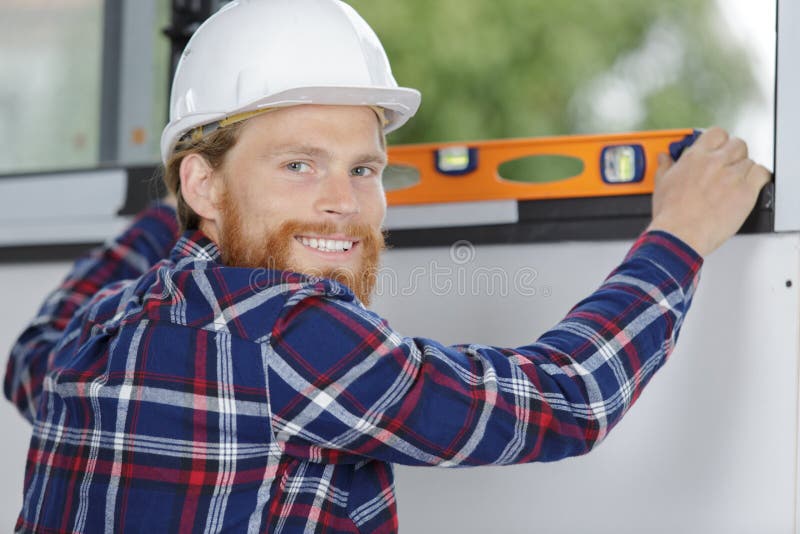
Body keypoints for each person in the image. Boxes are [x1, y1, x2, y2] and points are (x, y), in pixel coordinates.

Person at [4, 0, 770, 532]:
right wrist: (681, 234)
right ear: (203, 183)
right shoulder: (291, 333)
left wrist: (185, 210)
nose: (344, 203)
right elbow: (564, 401)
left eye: (365, 170)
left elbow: (25, 360)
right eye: (299, 165)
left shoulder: (96, 333)